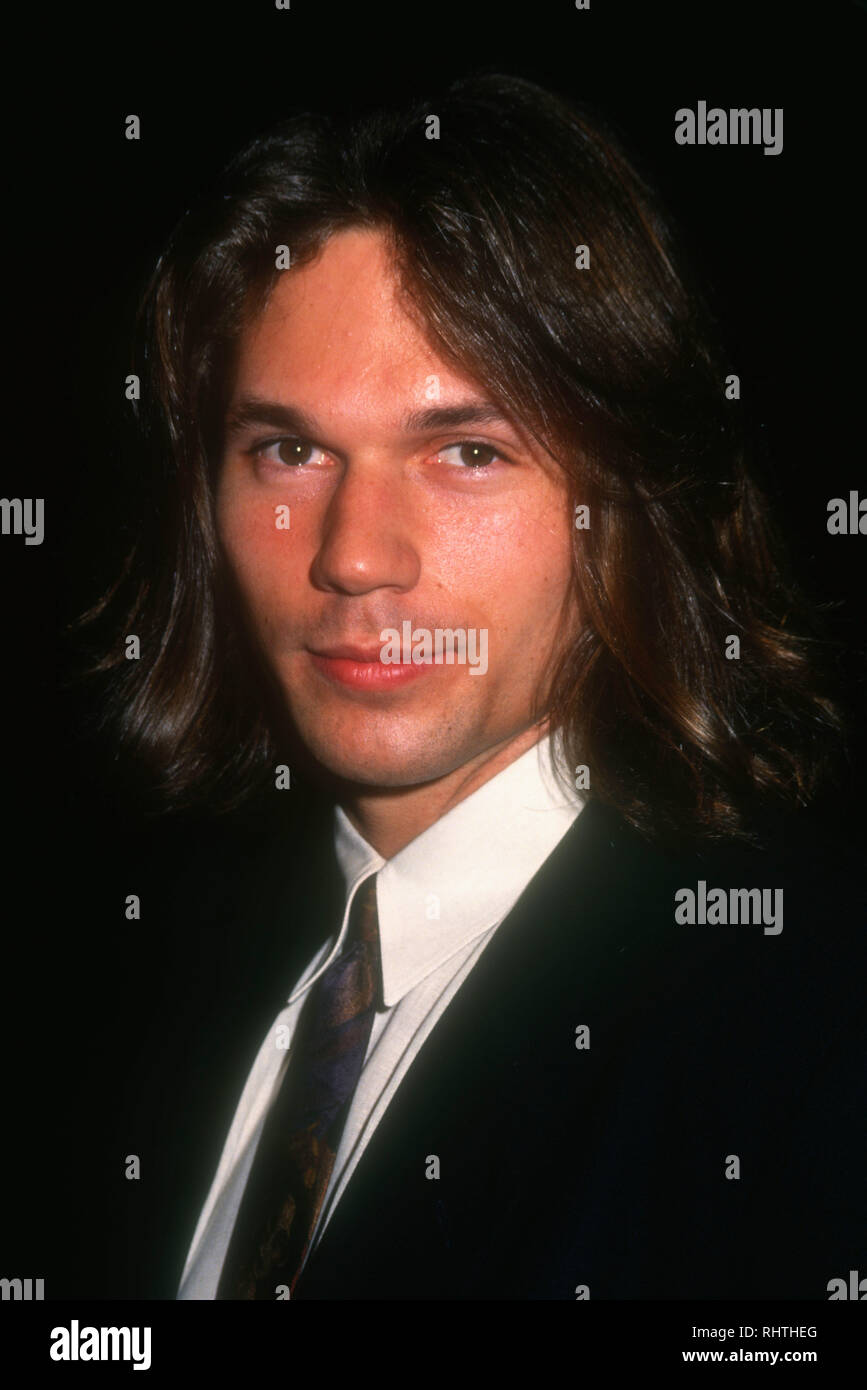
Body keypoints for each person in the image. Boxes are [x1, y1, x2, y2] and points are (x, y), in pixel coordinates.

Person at [68, 74, 864, 1301]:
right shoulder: (124, 982)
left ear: (627, 508)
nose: (353, 551)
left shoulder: (801, 1034)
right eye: (289, 449)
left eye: (468, 453)